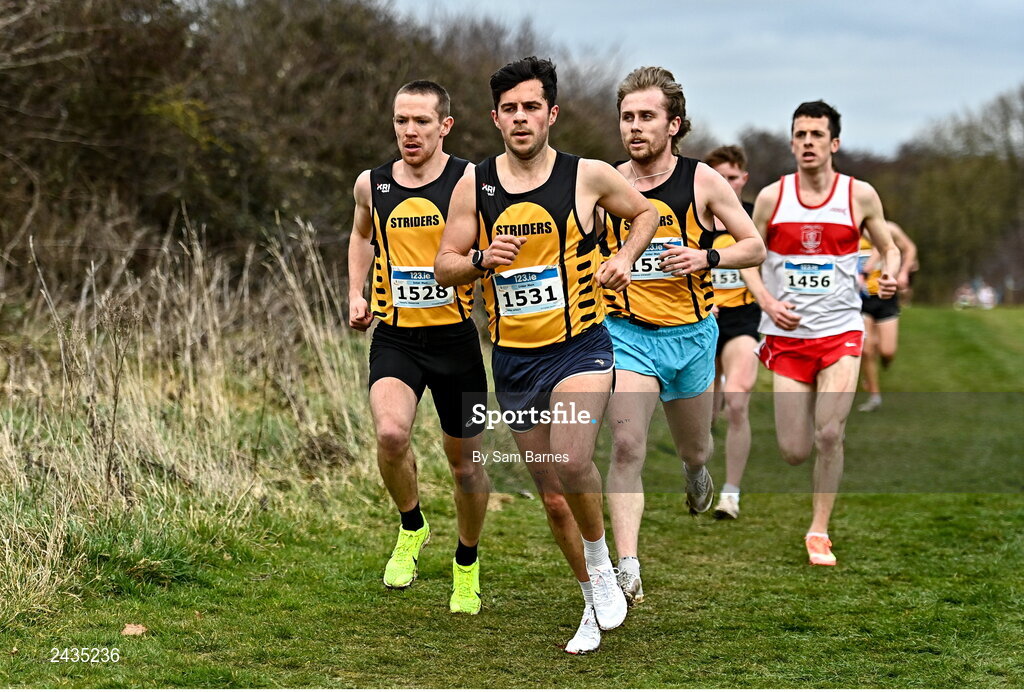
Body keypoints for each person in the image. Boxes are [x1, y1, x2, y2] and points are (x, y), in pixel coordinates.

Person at [435, 56, 659, 654]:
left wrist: (625, 258)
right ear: (495, 118)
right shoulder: (474, 184)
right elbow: (444, 265)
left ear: (551, 113)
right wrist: (481, 259)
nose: (520, 117)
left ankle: (602, 564)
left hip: (580, 348)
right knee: (555, 498)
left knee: (573, 456)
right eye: (509, 109)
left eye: (531, 106)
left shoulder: (587, 176)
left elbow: (646, 213)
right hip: (514, 360)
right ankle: (591, 596)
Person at [602, 70, 765, 603]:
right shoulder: (606, 182)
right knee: (627, 445)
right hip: (626, 334)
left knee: (696, 446)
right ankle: (628, 565)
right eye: (627, 117)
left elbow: (754, 247)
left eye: (647, 117)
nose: (635, 127)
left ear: (673, 124)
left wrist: (706, 257)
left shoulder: (703, 181)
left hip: (692, 338)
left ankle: (696, 471)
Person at [348, 80, 490, 614]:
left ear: (444, 126)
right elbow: (361, 236)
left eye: (422, 122)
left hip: (456, 342)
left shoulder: (470, 181)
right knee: (390, 433)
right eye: (401, 121)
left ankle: (466, 561)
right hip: (397, 336)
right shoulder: (372, 183)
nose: (410, 131)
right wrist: (356, 293)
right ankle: (412, 525)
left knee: (466, 467)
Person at [751, 100, 899, 566]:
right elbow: (748, 255)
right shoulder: (772, 198)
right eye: (800, 134)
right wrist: (767, 301)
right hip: (788, 337)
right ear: (791, 143)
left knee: (830, 434)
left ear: (834, 143)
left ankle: (819, 530)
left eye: (816, 134)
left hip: (840, 332)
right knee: (794, 451)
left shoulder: (859, 195)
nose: (808, 142)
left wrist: (890, 273)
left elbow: (890, 247)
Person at [704, 145, 773, 520]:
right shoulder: (692, 217)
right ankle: (698, 472)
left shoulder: (751, 221)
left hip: (742, 320)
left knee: (738, 400)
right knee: (704, 415)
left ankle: (730, 493)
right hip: (700, 319)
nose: (726, 184)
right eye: (719, 177)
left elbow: (766, 263)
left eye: (732, 177)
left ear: (743, 179)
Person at [857, 221, 917, 412]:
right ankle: (874, 396)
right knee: (867, 349)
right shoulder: (849, 227)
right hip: (861, 297)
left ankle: (883, 361)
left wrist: (904, 272)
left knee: (887, 351)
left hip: (886, 296)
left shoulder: (889, 229)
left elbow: (910, 248)